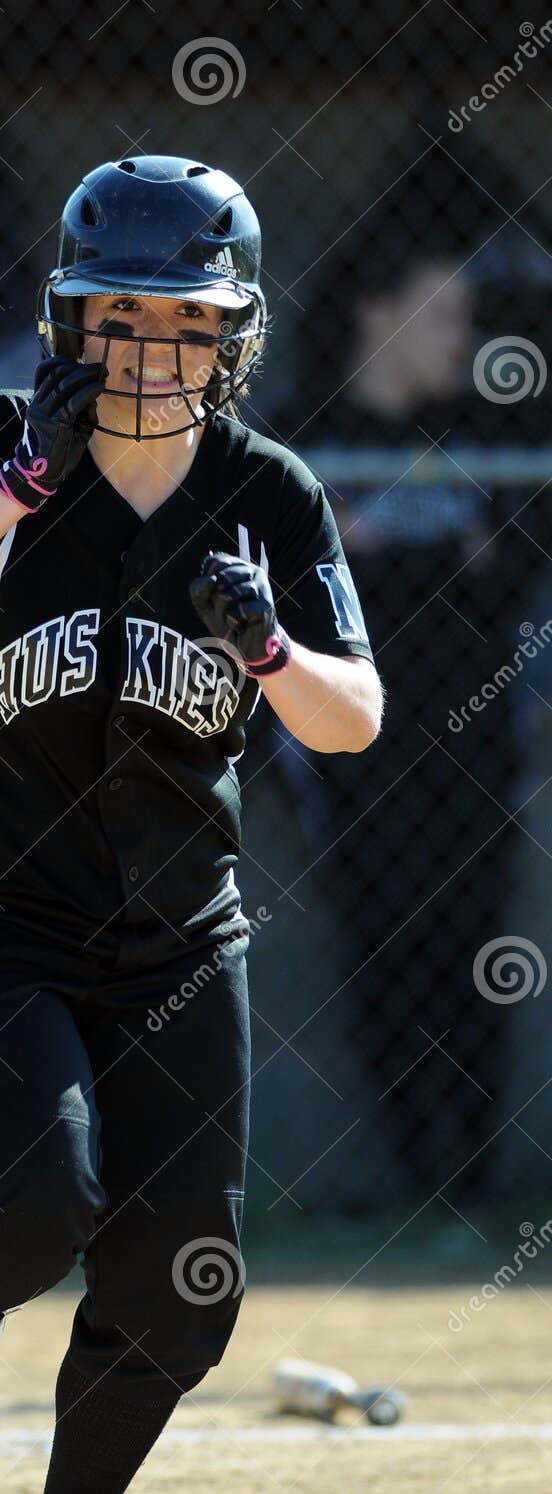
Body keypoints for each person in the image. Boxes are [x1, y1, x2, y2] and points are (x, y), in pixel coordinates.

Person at [0, 155, 382, 1494]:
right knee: (28, 1207)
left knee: (186, 1283)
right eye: (120, 314)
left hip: (179, 930)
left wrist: (266, 648)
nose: (150, 349)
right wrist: (14, 491)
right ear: (69, 324)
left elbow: (353, 716)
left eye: (187, 320)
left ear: (235, 337)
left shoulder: (272, 495)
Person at [287, 237, 536, 1208]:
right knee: (386, 948)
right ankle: (414, 1189)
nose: (462, 341)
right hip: (356, 750)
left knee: (478, 951)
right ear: (374, 314)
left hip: (475, 745)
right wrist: (438, 568)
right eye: (440, 317)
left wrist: (386, 556)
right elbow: (313, 592)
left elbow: (509, 576)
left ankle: (474, 1190)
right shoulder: (306, 432)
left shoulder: (480, 432)